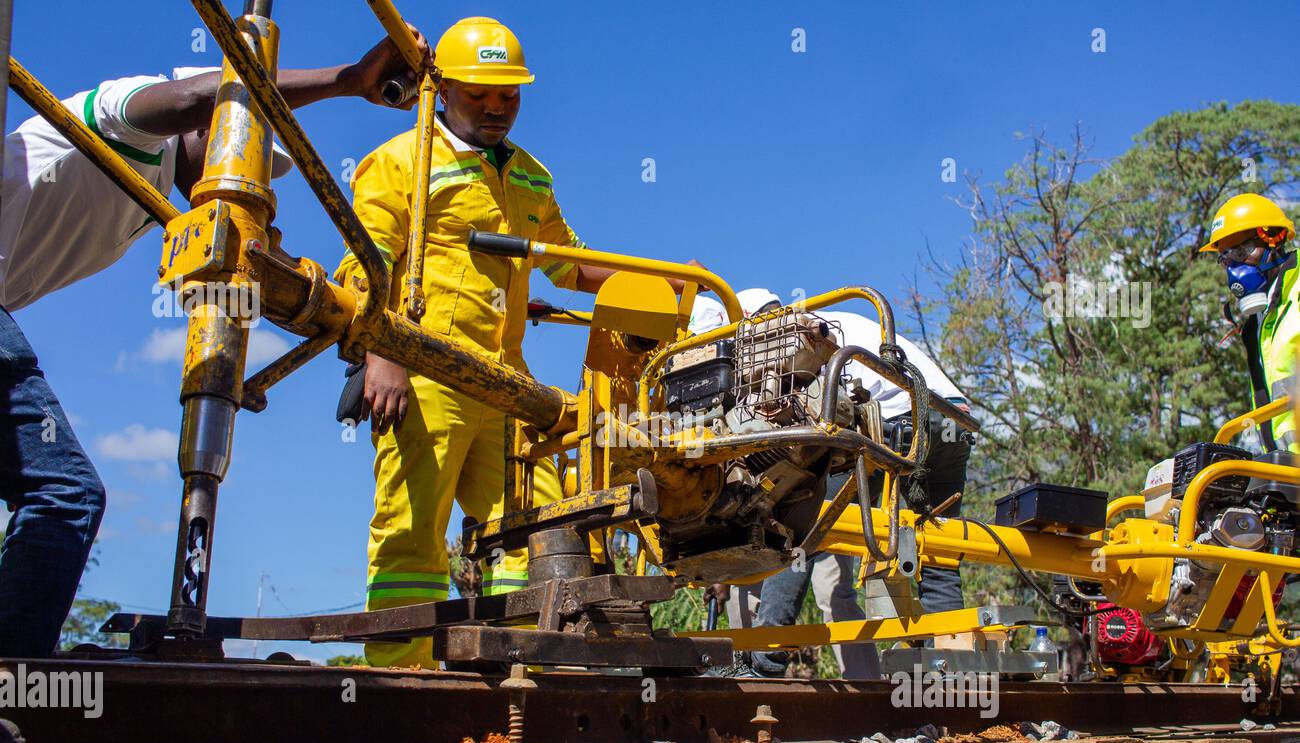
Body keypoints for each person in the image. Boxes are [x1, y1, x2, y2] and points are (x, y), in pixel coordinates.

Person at [0, 28, 432, 659]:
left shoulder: (164, 208)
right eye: (239, 146)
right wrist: (348, 79)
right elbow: (193, 100)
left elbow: (254, 253)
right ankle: (16, 683)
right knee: (65, 493)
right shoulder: (129, 116)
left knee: (62, 495)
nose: (241, 170)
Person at [339, 17, 639, 669]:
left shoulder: (530, 176)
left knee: (529, 533)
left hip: (506, 386)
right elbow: (366, 263)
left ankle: (520, 667)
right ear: (443, 89)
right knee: (412, 533)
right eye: (481, 94)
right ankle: (400, 677)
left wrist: (660, 285)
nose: (498, 107)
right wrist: (382, 353)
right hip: (425, 377)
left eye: (509, 95)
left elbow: (567, 262)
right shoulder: (399, 163)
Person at [700, 289, 974, 678]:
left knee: (797, 524)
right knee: (940, 552)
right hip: (953, 420)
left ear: (752, 320)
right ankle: (952, 673)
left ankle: (764, 657)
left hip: (899, 422)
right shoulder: (835, 320)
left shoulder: (796, 337)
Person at [1200, 193, 1298, 450]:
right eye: (1225, 259)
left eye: (1241, 252)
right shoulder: (1256, 325)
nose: (1233, 268)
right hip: (1284, 471)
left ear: (1274, 241)